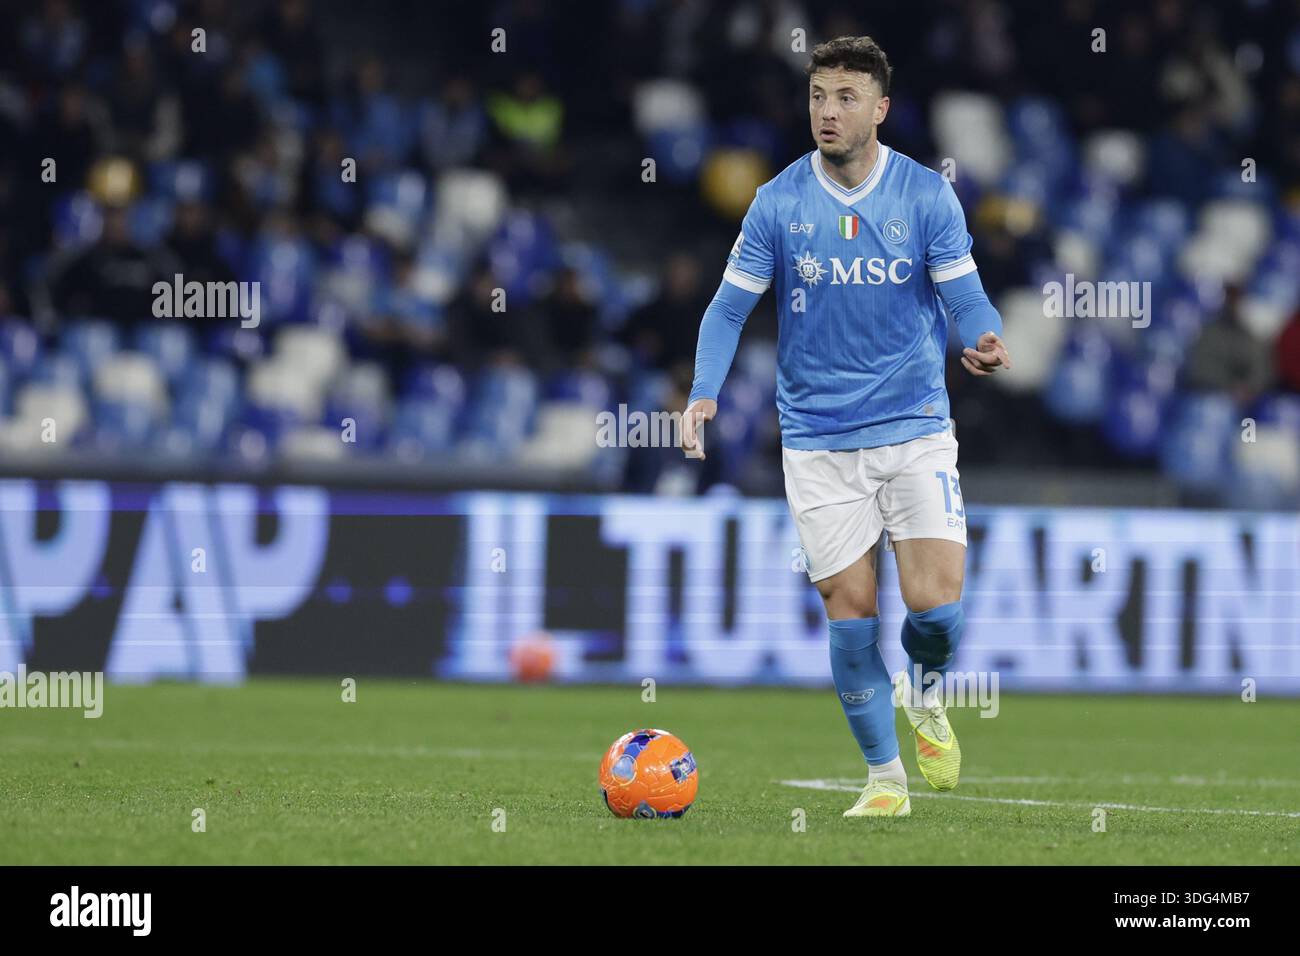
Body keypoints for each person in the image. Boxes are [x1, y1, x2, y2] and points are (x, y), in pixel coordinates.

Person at [680, 36, 1012, 818]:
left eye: (846, 98)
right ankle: (885, 780)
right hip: (819, 440)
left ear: (880, 109)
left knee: (935, 612)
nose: (828, 112)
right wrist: (702, 393)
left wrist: (985, 336)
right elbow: (729, 307)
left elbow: (966, 296)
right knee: (850, 610)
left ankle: (926, 693)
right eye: (819, 96)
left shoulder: (927, 197)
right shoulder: (778, 202)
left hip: (915, 426)